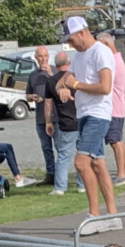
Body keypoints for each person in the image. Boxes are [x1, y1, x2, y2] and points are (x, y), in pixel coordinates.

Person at [59, 16, 117, 218]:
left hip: (98, 114)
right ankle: (112, 215)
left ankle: (94, 215)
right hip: (83, 114)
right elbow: (65, 79)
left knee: (81, 163)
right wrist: (62, 87)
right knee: (97, 164)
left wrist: (75, 85)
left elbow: (105, 87)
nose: (70, 44)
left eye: (71, 39)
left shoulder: (100, 52)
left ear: (82, 32)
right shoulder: (79, 57)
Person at [24, 45, 61, 192]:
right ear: (35, 58)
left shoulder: (55, 70)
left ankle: (60, 174)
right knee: (46, 148)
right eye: (40, 56)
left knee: (60, 146)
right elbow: (27, 94)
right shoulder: (33, 75)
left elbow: (60, 87)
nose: (43, 59)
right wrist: (31, 97)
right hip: (40, 116)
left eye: (45, 56)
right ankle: (50, 174)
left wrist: (51, 74)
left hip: (56, 115)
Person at [99, 30, 125, 186]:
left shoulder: (113, 62)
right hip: (118, 106)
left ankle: (121, 174)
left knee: (115, 141)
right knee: (119, 140)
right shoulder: (118, 59)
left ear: (106, 44)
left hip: (113, 108)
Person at [48, 49, 80, 193]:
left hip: (65, 122)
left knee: (63, 156)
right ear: (69, 62)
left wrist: (48, 122)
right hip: (81, 119)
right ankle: (82, 185)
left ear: (55, 65)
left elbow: (48, 104)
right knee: (84, 154)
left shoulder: (51, 81)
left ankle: (60, 187)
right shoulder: (76, 78)